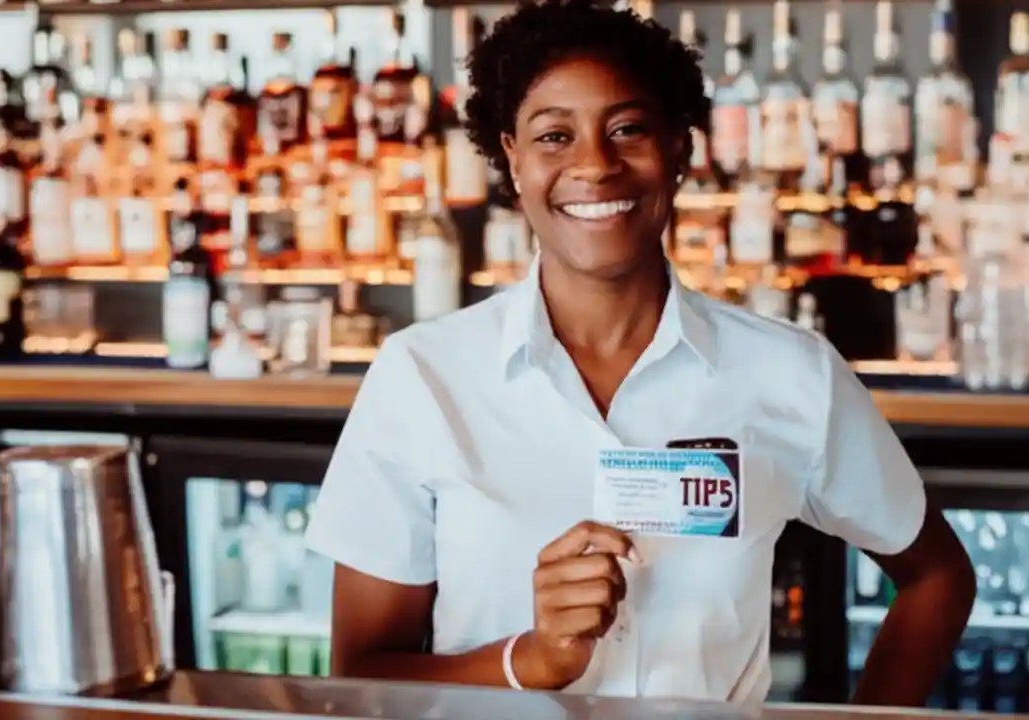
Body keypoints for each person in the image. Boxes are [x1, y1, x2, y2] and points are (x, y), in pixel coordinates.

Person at [305, 0, 975, 707]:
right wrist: (525, 662)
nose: (594, 165)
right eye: (554, 135)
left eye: (627, 128)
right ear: (512, 158)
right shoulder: (423, 377)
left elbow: (937, 576)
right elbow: (359, 675)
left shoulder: (790, 373)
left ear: (680, 150)